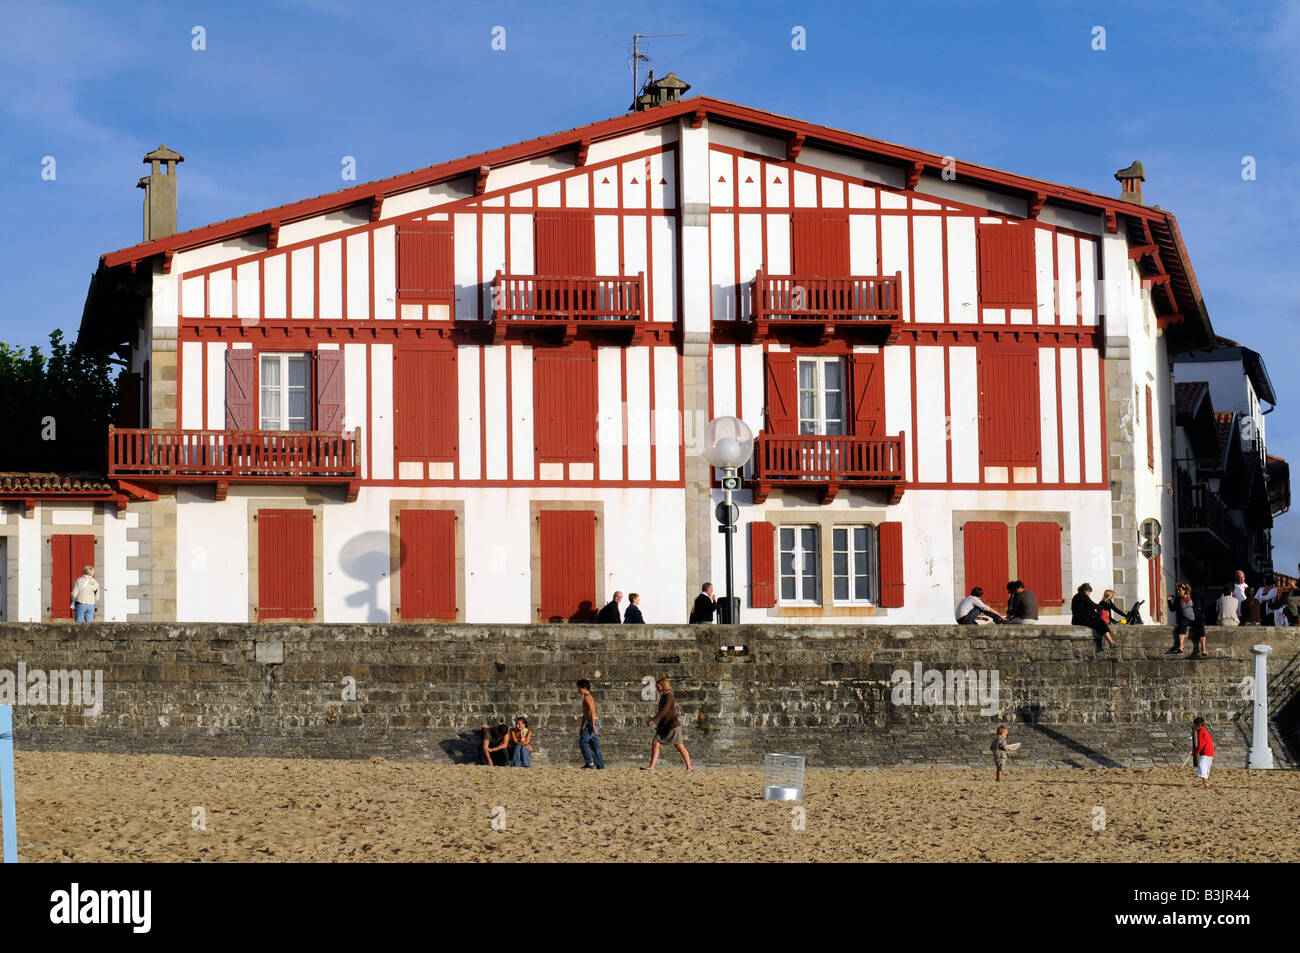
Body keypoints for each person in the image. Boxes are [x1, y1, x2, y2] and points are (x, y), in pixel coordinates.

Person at [643, 678, 691, 772]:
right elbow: (663, 712)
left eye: (658, 686)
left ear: (663, 685)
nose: (657, 688)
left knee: (679, 746)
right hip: (664, 726)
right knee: (655, 743)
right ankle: (651, 766)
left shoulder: (669, 696)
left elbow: (664, 710)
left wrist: (654, 720)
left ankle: (689, 767)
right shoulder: (664, 696)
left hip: (673, 725)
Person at [1072, 583, 1117, 648]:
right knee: (1101, 623)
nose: (1089, 594)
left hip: (1076, 620)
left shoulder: (1076, 596)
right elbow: (1092, 605)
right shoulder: (1084, 597)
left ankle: (1110, 642)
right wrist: (1101, 607)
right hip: (1083, 619)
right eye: (1089, 592)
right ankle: (1111, 642)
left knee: (1098, 622)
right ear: (1086, 591)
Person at [1168, 583, 1207, 658]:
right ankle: (1181, 646)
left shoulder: (1193, 596)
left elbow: (1203, 600)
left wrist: (1201, 612)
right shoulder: (1178, 599)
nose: (1178, 592)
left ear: (1185, 590)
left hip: (1196, 618)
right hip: (1185, 618)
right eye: (1178, 590)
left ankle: (1203, 649)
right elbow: (1172, 609)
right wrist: (1169, 601)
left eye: (1180, 590)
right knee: (1182, 625)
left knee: (1201, 628)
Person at [576, 679, 605, 769]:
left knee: (582, 741)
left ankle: (590, 763)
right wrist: (581, 727)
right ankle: (600, 765)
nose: (578, 690)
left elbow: (592, 712)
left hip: (593, 723)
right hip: (591, 722)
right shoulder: (586, 698)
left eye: (579, 688)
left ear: (584, 688)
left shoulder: (588, 698)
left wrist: (592, 726)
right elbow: (585, 714)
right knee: (594, 745)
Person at [1192, 717, 1214, 788]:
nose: (1193, 726)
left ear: (1199, 725)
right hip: (1209, 752)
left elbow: (1201, 744)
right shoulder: (1202, 731)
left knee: (1202, 766)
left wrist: (1195, 751)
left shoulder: (1201, 732)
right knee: (1205, 767)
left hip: (1206, 752)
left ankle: (1205, 783)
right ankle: (1205, 783)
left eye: (1194, 725)